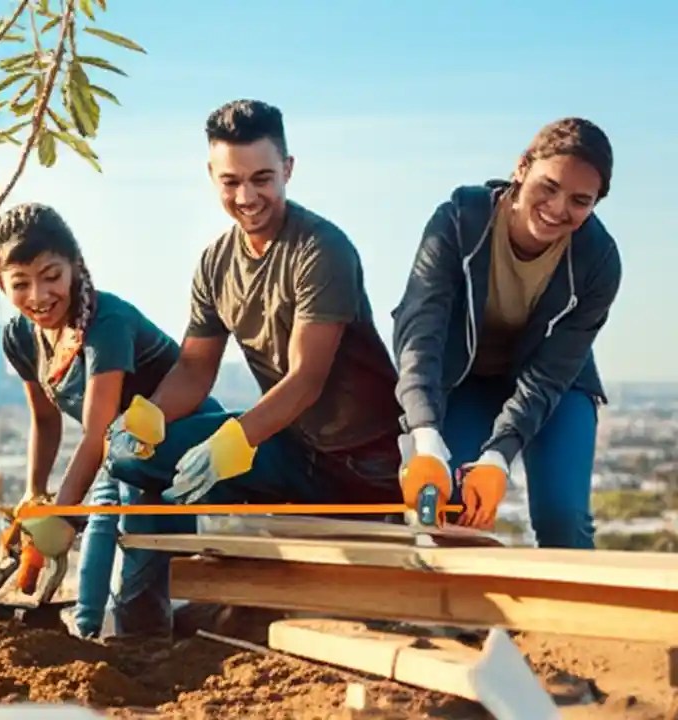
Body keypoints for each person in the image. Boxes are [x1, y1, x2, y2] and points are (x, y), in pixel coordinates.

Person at [104, 98, 406, 512]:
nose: (246, 197)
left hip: (363, 463)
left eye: (261, 178)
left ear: (288, 169)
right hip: (287, 445)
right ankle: (168, 574)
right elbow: (193, 369)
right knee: (133, 460)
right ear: (212, 176)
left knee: (189, 470)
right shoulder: (215, 262)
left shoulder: (322, 249)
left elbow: (305, 379)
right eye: (231, 182)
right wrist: (143, 422)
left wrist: (228, 447)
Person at [0, 202, 228, 638]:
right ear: (0, 282)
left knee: (138, 543)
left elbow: (97, 432)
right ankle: (87, 633)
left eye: (51, 276)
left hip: (178, 443)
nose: (39, 296)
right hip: (121, 447)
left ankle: (144, 649)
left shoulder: (107, 322)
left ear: (75, 267)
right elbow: (45, 421)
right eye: (20, 283)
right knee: (102, 515)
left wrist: (62, 517)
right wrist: (36, 494)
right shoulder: (19, 337)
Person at [391, 118, 620, 547]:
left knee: (562, 517)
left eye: (580, 200)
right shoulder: (459, 222)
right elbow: (420, 333)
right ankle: (461, 615)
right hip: (466, 381)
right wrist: (423, 434)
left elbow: (550, 374)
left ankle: (565, 614)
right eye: (548, 186)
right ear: (521, 168)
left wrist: (498, 457)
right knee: (451, 515)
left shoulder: (599, 261)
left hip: (554, 387)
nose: (557, 207)